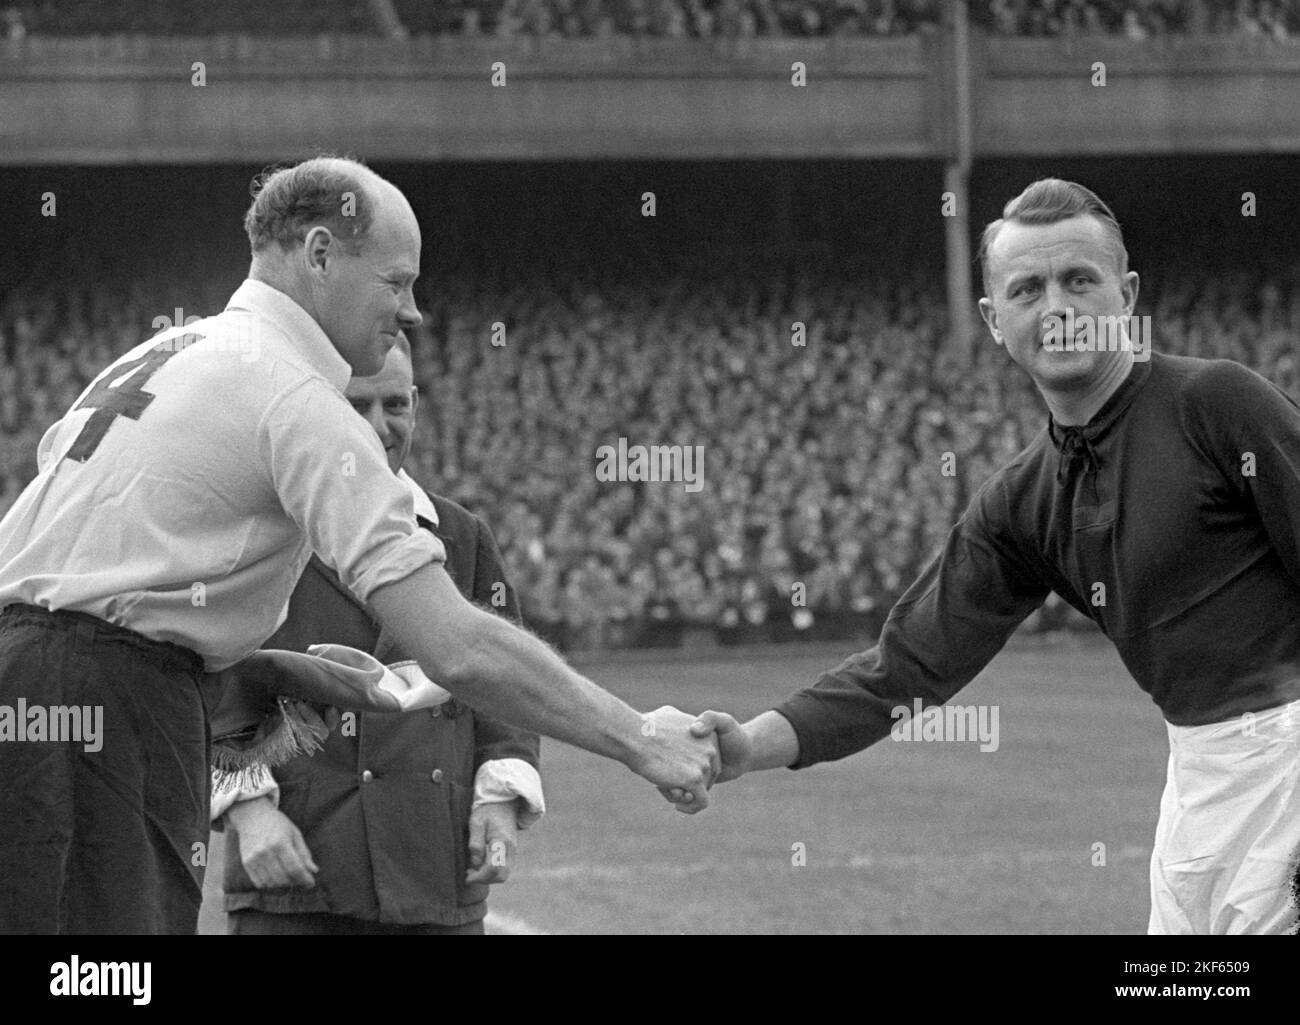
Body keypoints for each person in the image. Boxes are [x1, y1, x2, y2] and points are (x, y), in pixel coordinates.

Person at [0, 155, 717, 935]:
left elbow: (91, 592)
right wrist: (640, 737)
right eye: (396, 281)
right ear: (318, 254)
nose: (413, 311)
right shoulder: (293, 391)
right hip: (101, 715)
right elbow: (458, 647)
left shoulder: (163, 354)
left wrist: (264, 670)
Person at [684, 178, 1300, 935]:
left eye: (1080, 280)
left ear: (1126, 293)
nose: (1057, 307)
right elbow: (904, 669)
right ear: (994, 319)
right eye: (1027, 288)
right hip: (1201, 783)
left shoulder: (1219, 403)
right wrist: (749, 745)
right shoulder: (1022, 500)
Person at [215, 337, 541, 935]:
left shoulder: (463, 537)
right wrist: (249, 810)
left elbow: (504, 681)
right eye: (354, 405)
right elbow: (205, 686)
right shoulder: (254, 537)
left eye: (395, 404)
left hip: (435, 882)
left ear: (416, 403)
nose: (378, 425)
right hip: (293, 885)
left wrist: (501, 795)